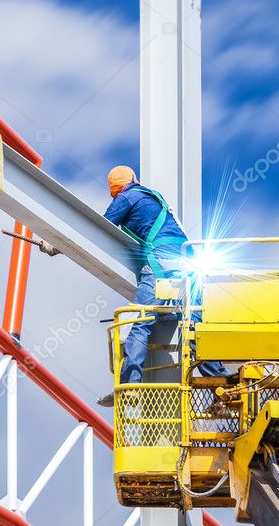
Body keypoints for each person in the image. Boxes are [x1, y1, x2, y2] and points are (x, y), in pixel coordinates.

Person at [96, 166, 227, 407]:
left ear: (113, 190)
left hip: (161, 266)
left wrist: (56, 247)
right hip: (190, 266)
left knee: (141, 324)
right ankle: (222, 386)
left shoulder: (125, 197)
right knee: (196, 326)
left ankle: (131, 385)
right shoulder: (154, 198)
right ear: (135, 179)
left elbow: (98, 228)